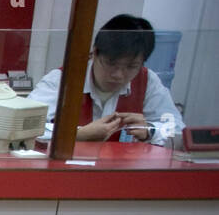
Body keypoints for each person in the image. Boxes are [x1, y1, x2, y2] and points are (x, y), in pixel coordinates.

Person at [29, 14, 184, 145]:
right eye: (111, 63)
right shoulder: (64, 79)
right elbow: (26, 124)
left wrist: (150, 130)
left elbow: (177, 130)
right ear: (95, 53)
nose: (119, 75)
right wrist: (78, 134)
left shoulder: (147, 80)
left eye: (131, 66)